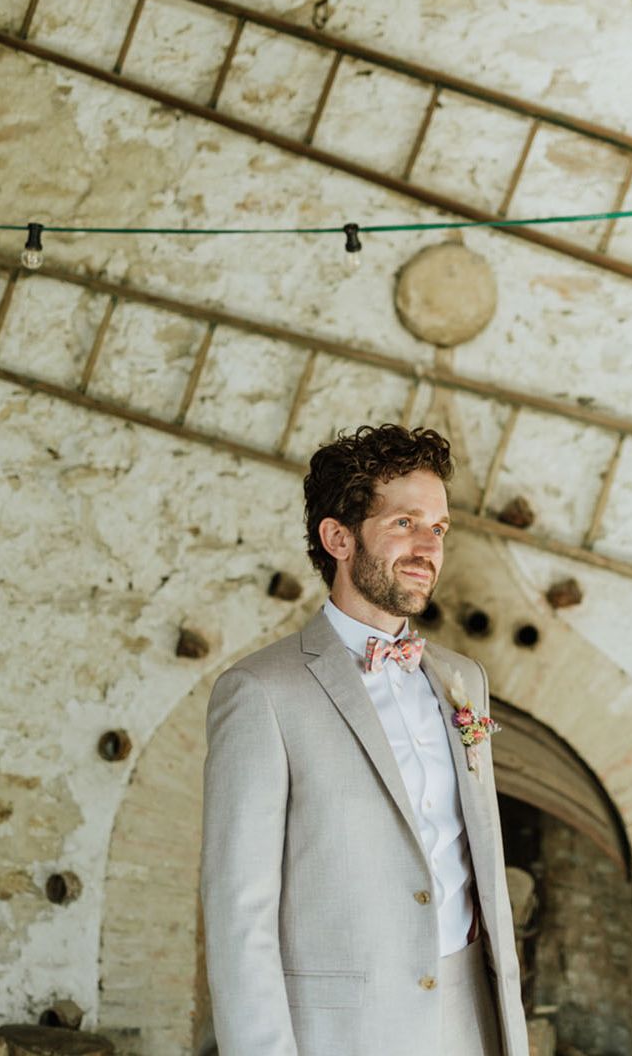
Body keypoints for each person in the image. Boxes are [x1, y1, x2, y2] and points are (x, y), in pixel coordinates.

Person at [200, 423, 528, 1056]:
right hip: (343, 1034)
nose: (427, 547)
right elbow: (240, 919)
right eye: (404, 523)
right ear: (338, 537)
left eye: (438, 528)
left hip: (471, 1022)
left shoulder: (464, 680)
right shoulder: (260, 693)